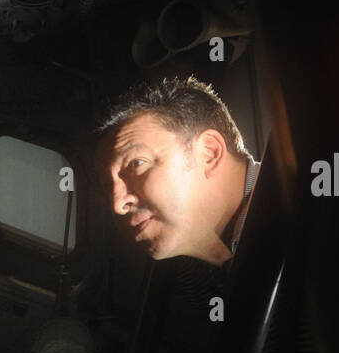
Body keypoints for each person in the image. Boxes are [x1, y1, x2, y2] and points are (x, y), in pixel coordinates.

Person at [93, 76, 259, 266]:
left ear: (209, 153)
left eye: (137, 163)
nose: (117, 204)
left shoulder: (295, 219)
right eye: (107, 186)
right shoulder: (189, 281)